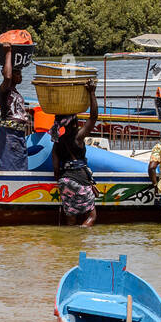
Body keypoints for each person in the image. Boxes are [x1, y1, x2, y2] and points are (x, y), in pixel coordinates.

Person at [52, 81, 100, 226]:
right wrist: (92, 92)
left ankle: (70, 242)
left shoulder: (57, 142)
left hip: (64, 181)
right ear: (74, 123)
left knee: (71, 217)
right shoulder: (78, 137)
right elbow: (93, 117)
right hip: (79, 179)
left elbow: (56, 170)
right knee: (92, 216)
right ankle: (82, 234)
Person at [0, 49, 31, 170]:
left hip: (18, 134)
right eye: (17, 73)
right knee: (9, 166)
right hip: (9, 135)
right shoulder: (4, 90)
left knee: (20, 165)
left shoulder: (16, 92)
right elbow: (7, 77)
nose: (20, 76)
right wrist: (8, 52)